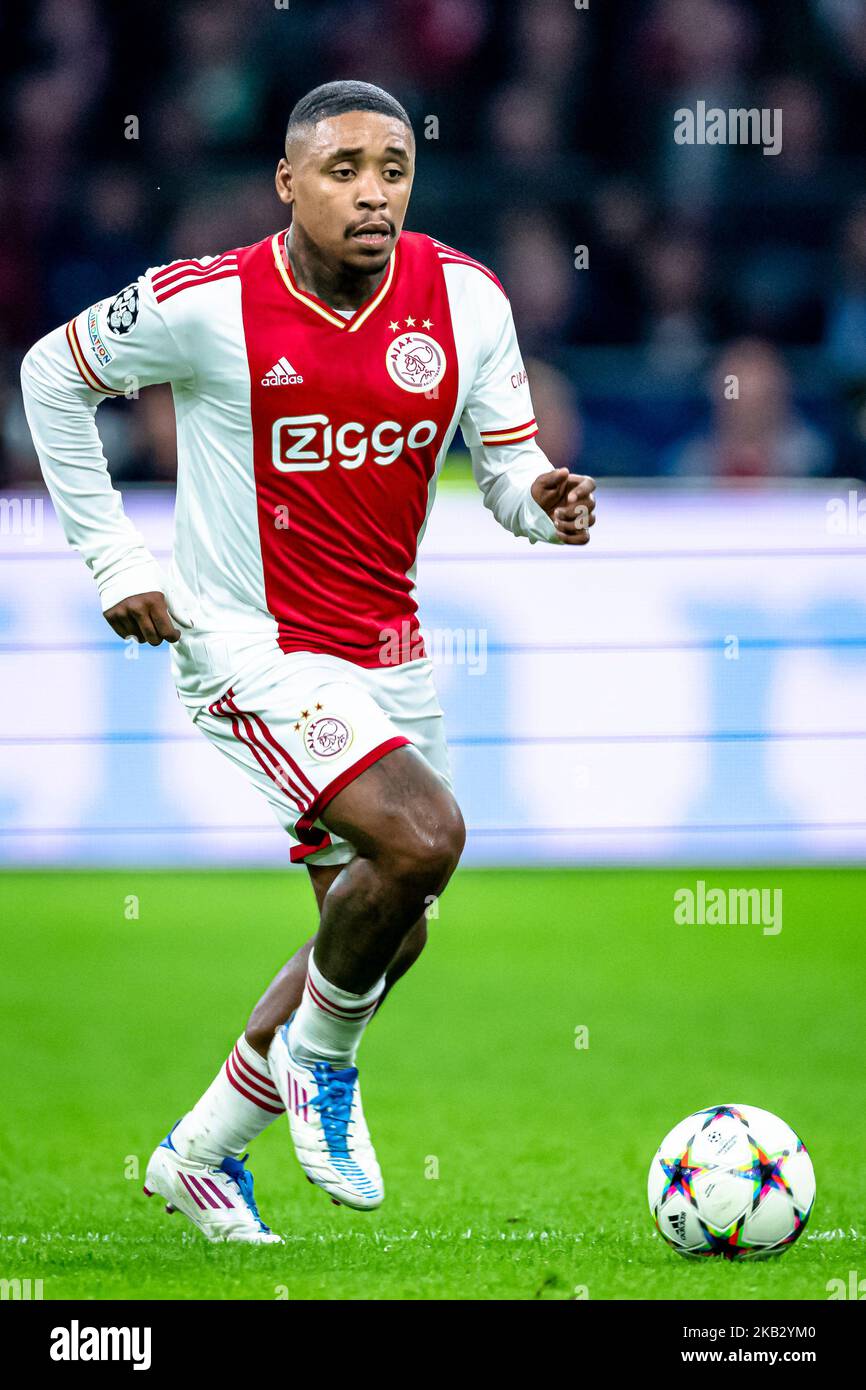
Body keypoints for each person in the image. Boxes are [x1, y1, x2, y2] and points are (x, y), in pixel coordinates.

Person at [21, 80, 596, 1243]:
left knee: (391, 916)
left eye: (391, 166)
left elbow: (504, 469)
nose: (372, 190)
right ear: (288, 184)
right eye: (342, 169)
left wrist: (542, 502)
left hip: (390, 651)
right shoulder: (210, 304)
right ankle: (324, 1070)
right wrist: (111, 560)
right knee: (424, 836)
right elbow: (51, 374)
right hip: (252, 645)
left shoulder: (466, 299)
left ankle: (201, 1153)